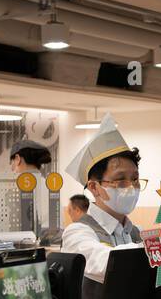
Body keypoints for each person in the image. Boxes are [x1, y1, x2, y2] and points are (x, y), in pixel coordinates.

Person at [60, 114, 145, 284]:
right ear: (94, 187)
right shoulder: (77, 233)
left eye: (135, 179)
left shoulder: (136, 233)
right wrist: (155, 248)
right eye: (120, 179)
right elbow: (104, 262)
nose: (131, 187)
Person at [9, 138, 54, 238]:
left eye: (11, 162)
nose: (12, 169)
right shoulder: (49, 186)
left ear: (17, 159)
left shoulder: (16, 188)